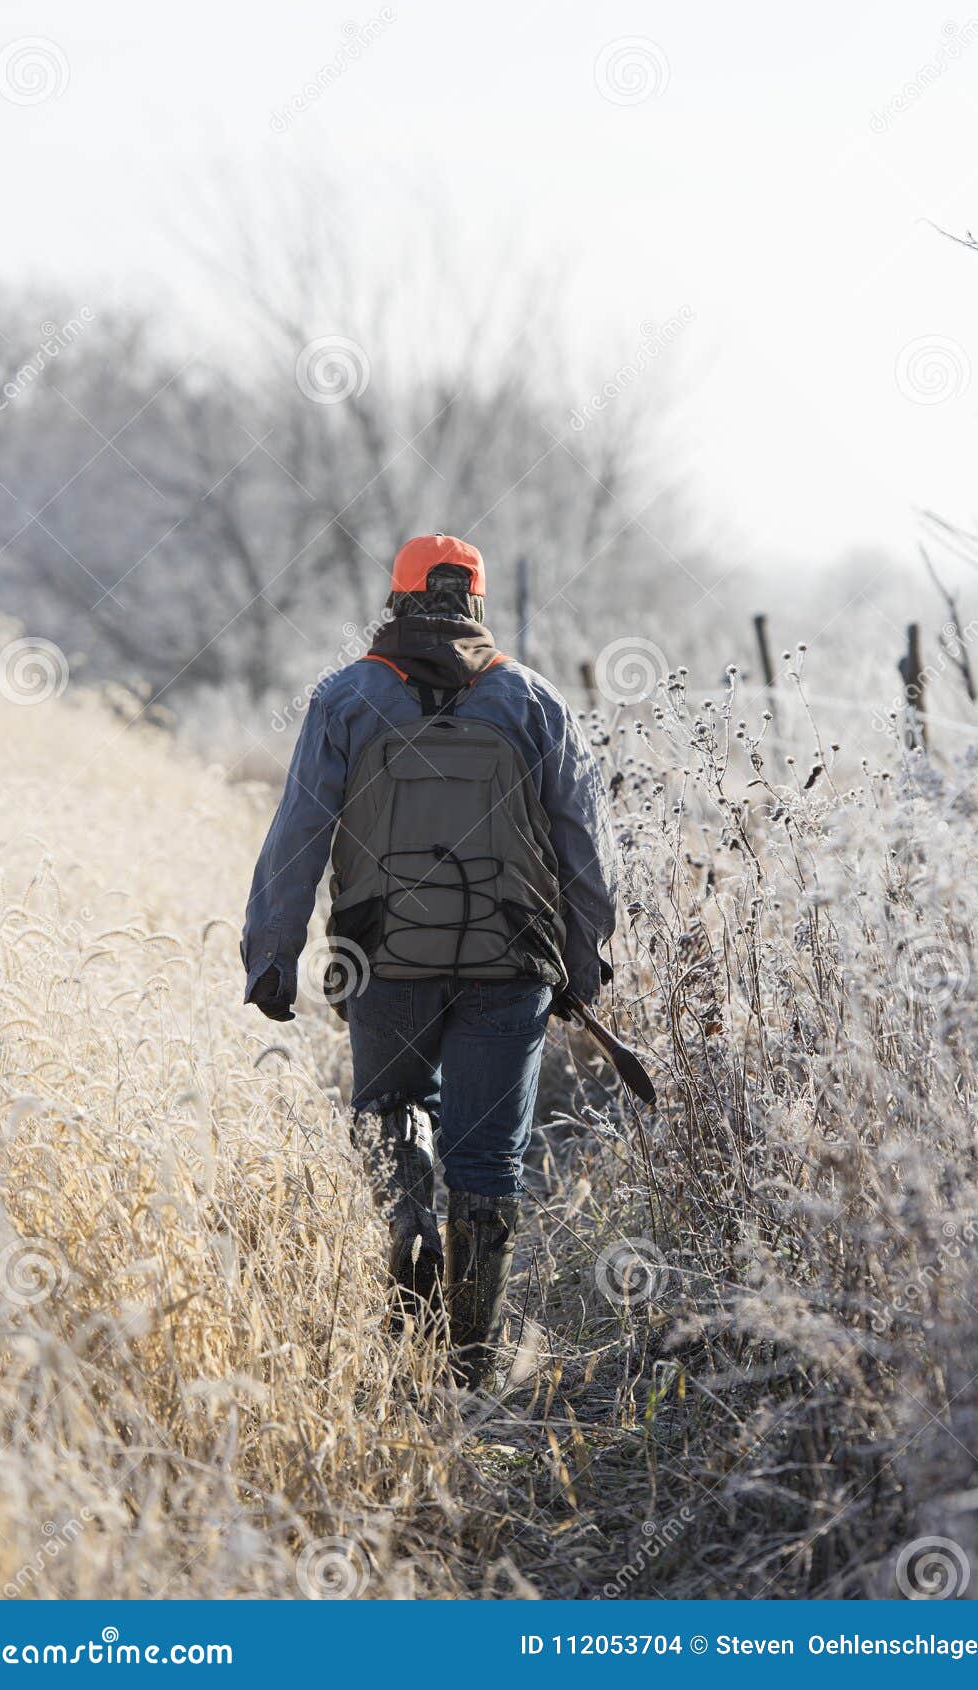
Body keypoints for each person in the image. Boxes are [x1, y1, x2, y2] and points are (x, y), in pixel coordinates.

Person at [242, 534, 617, 1391]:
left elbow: (297, 833)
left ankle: (407, 1273)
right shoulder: (533, 700)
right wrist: (586, 953)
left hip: (380, 960)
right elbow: (586, 844)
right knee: (486, 1167)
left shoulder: (345, 697)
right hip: (511, 962)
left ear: (400, 597)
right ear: (476, 601)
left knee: (390, 1111)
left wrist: (273, 953)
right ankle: (468, 1371)